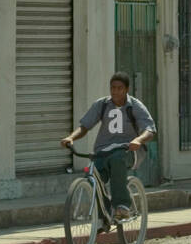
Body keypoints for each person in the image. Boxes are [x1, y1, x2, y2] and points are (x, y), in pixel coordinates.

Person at [61, 72, 156, 220]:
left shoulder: (135, 106)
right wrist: (71, 137)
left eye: (119, 88)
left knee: (117, 158)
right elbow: (85, 126)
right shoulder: (102, 104)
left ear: (127, 89)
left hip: (128, 151)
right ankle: (103, 215)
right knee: (93, 176)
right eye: (113, 88)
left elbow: (149, 130)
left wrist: (138, 140)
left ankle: (122, 206)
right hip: (103, 151)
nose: (115, 91)